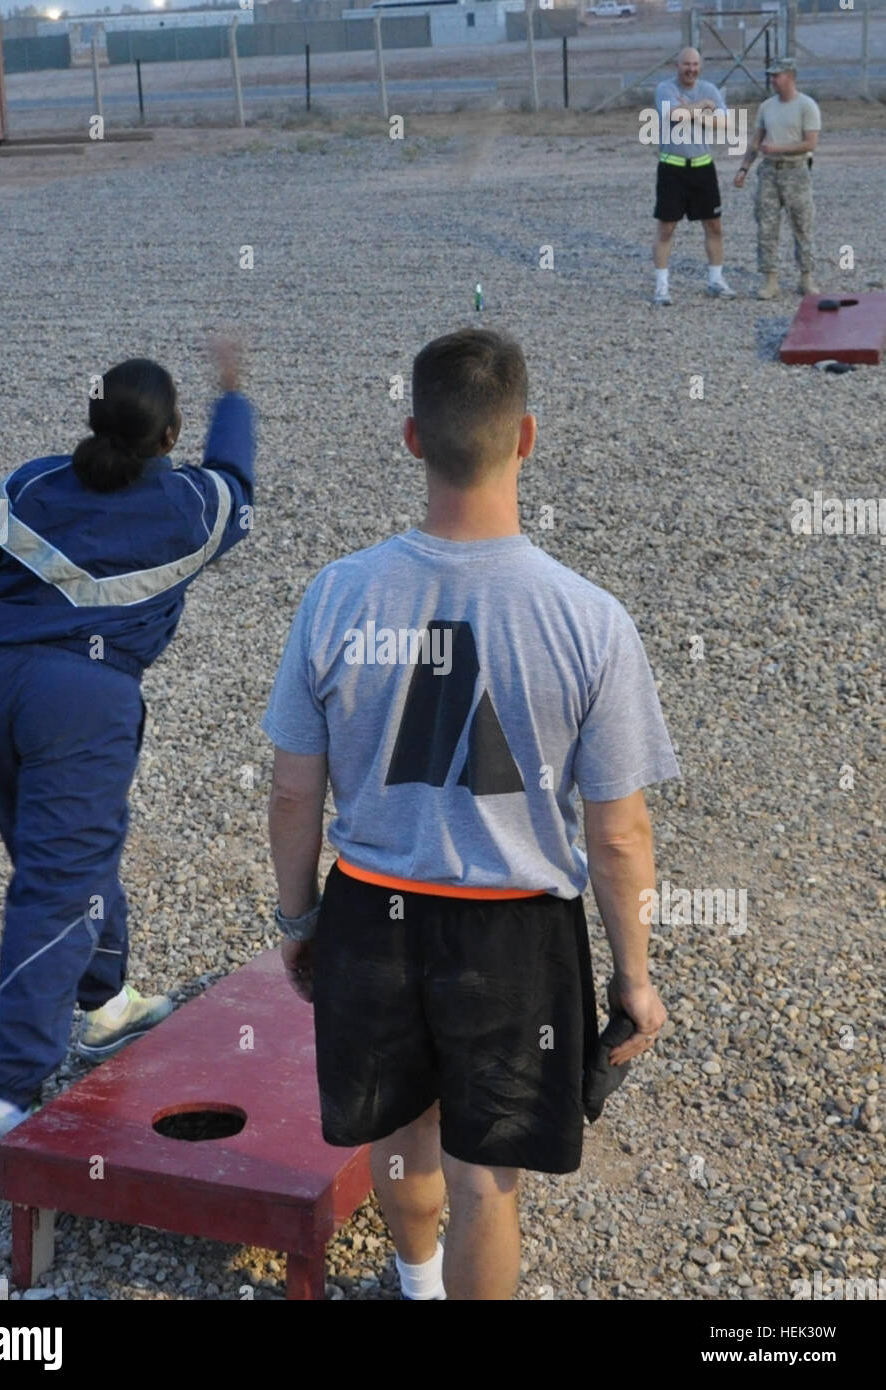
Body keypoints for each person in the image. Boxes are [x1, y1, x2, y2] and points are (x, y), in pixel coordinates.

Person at [261, 327, 680, 1301]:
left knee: (403, 1134)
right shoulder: (588, 618)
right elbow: (619, 833)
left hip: (373, 910)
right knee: (485, 1178)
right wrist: (635, 976)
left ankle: (415, 1281)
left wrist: (298, 919)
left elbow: (293, 790)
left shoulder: (337, 596)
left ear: (412, 437)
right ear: (526, 436)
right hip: (514, 934)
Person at [0, 336, 255, 1177]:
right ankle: (10, 1099)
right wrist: (234, 394)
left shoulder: (30, 481)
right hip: (83, 696)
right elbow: (239, 484)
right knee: (56, 880)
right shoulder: (190, 507)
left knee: (59, 853)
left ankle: (106, 998)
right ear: (167, 436)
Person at [652, 47, 737, 306]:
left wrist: (691, 111)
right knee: (667, 228)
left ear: (701, 66)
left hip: (703, 167)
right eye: (686, 64)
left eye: (695, 64)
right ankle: (661, 286)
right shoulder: (664, 89)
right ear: (676, 66)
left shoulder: (710, 88)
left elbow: (725, 123)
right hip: (672, 168)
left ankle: (715, 280)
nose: (691, 69)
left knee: (714, 225)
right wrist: (703, 108)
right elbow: (674, 116)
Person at [734, 58, 821, 300]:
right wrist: (744, 169)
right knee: (767, 225)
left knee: (802, 225)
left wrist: (778, 148)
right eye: (771, 76)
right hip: (770, 172)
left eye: (777, 75)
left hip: (796, 171)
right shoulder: (767, 107)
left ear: (790, 76)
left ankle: (806, 277)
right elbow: (756, 141)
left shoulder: (807, 106)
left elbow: (810, 142)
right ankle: (769, 278)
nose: (773, 80)